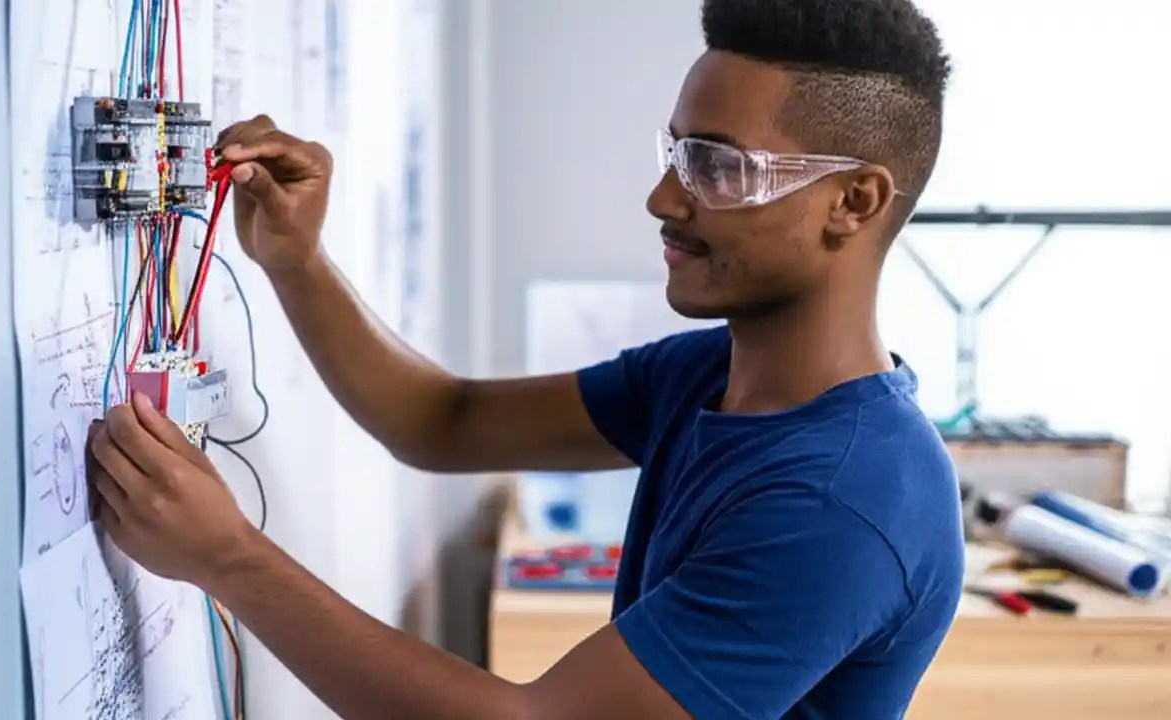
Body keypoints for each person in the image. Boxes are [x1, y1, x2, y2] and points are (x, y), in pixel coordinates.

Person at [87, 0, 964, 717]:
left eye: (718, 167)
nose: (663, 197)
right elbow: (442, 422)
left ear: (853, 201)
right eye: (675, 153)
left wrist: (230, 559)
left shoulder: (844, 502)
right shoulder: (706, 378)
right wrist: (297, 261)